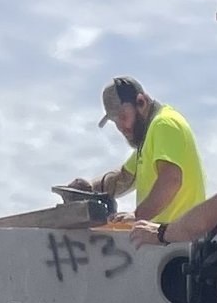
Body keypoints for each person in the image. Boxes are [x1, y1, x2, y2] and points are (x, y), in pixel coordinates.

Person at [81, 78, 206, 237]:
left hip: (177, 243)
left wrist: (137, 215)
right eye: (114, 121)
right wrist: (87, 189)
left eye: (122, 116)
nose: (121, 127)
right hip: (165, 241)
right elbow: (123, 177)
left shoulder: (164, 124)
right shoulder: (148, 138)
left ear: (141, 102)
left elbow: (171, 179)